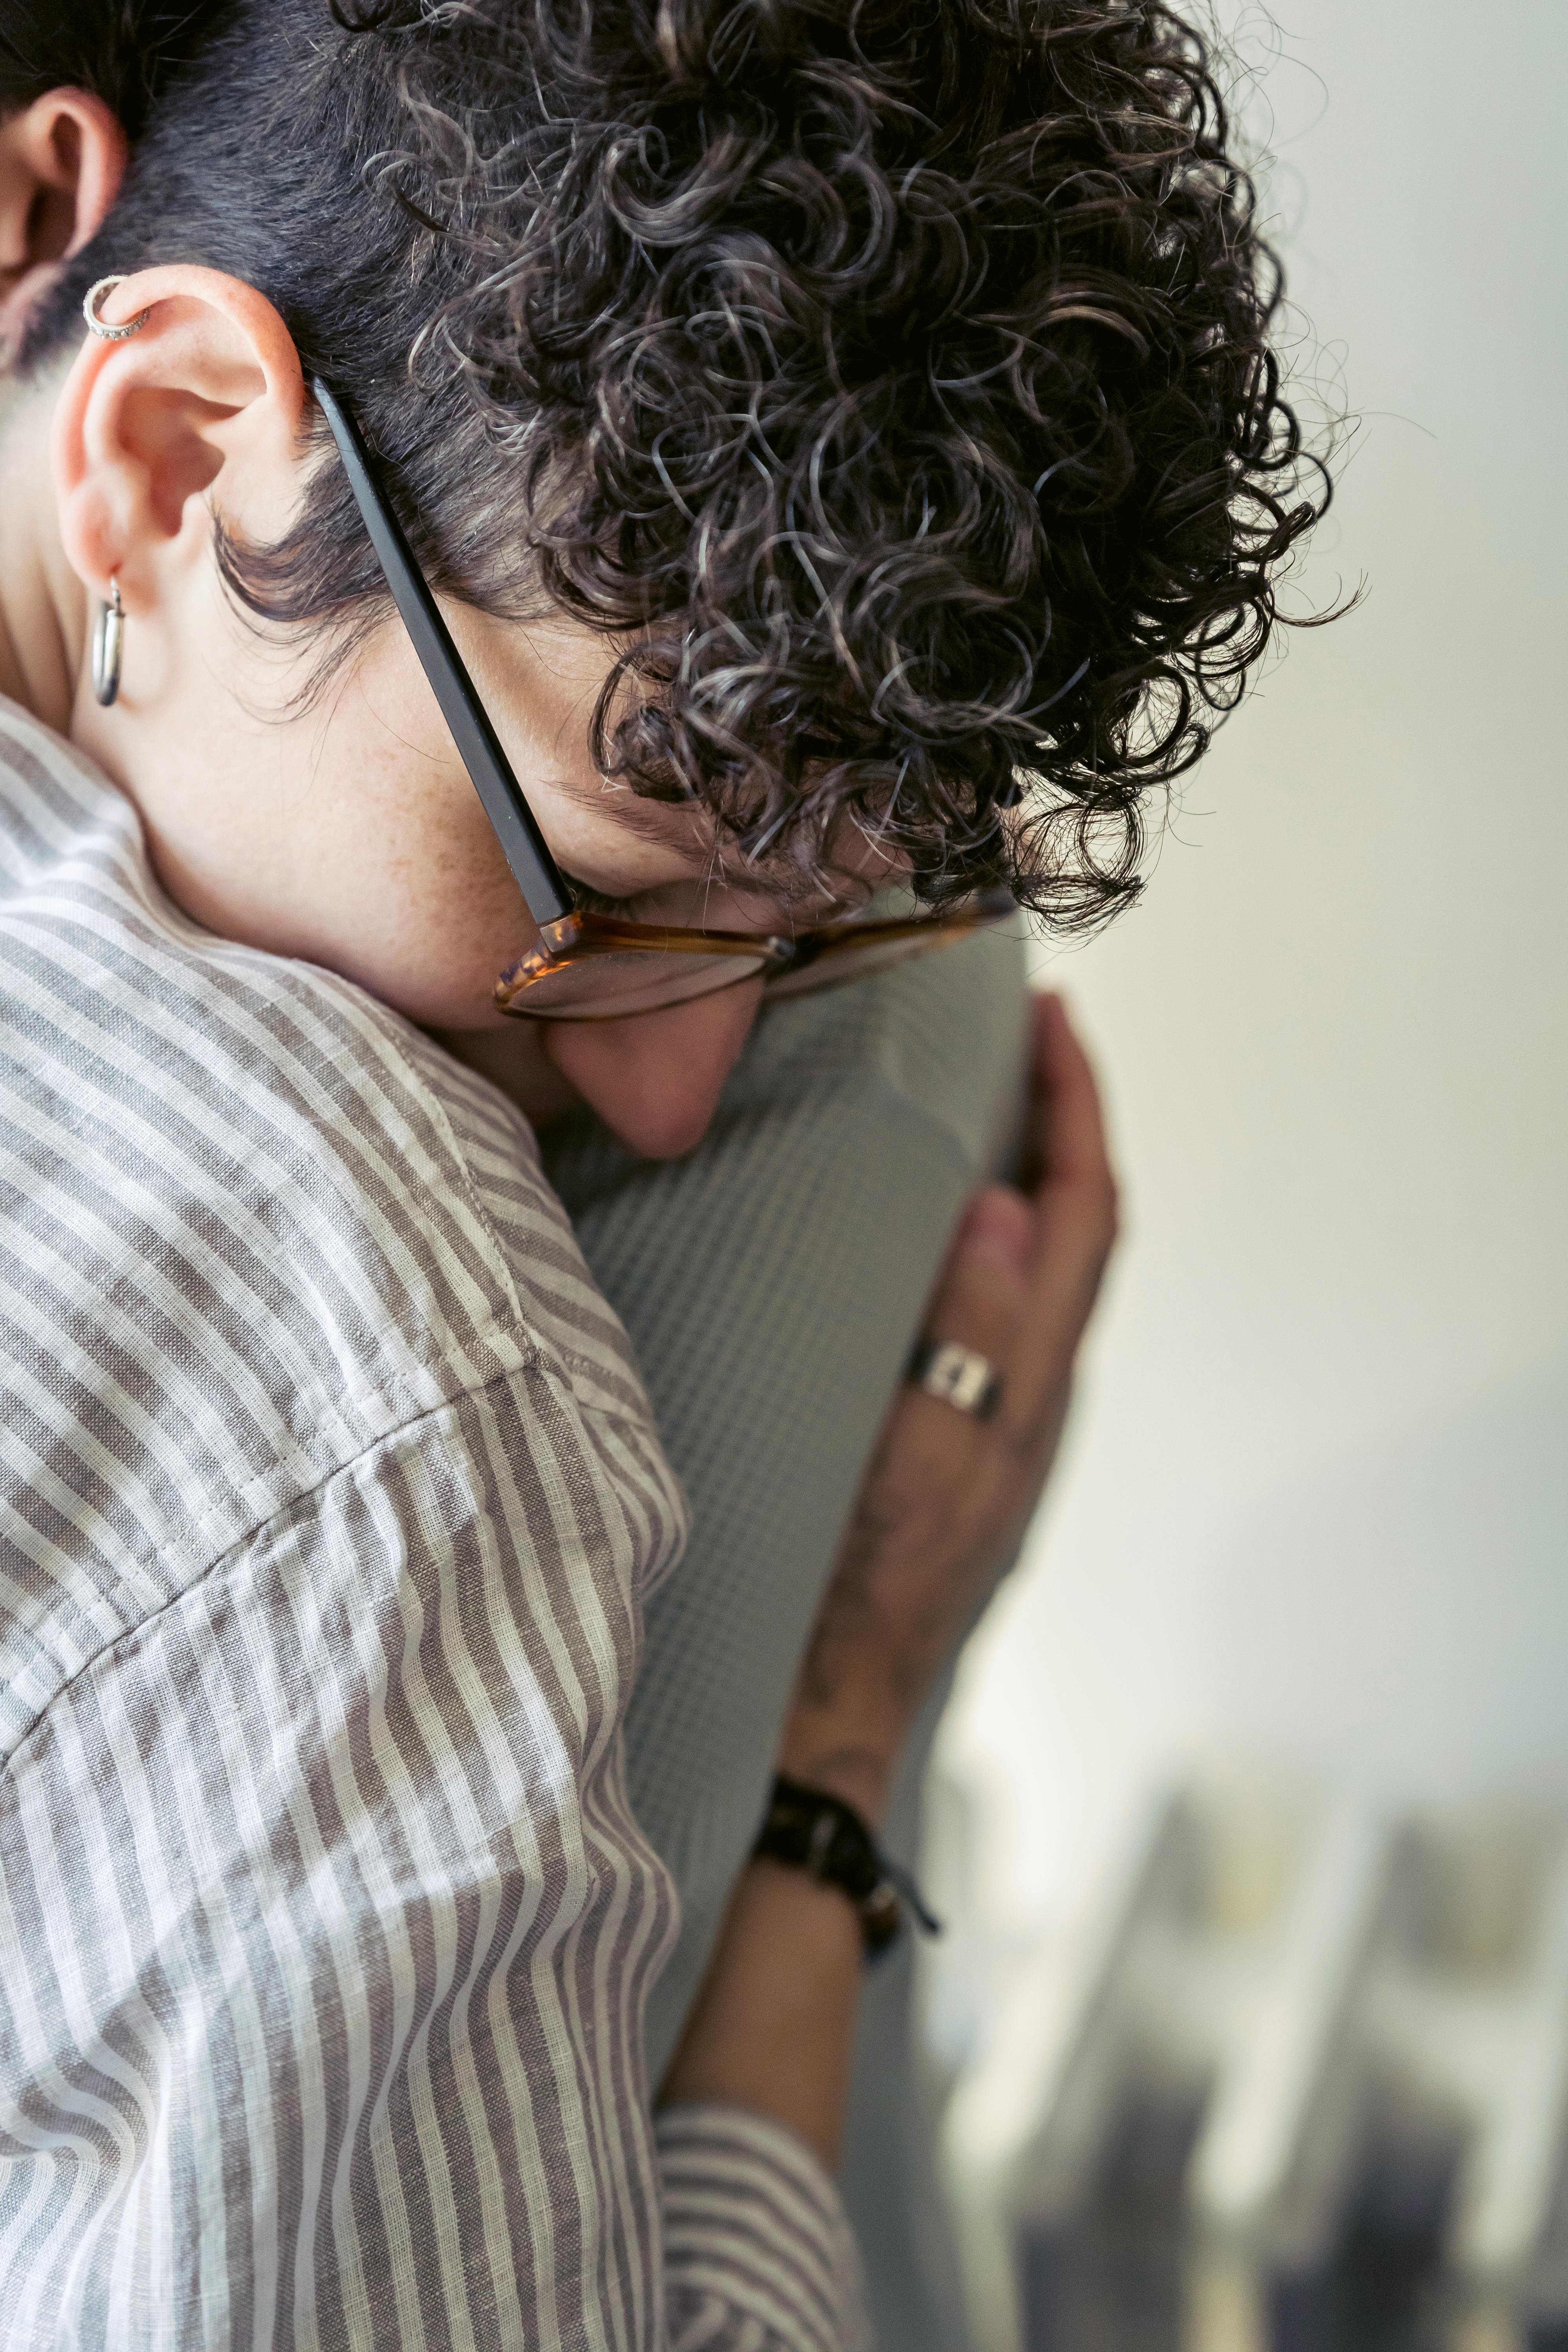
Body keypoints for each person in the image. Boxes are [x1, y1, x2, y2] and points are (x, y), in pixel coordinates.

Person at [0, 0, 1321, 2343]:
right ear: (178, 447)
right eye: (618, 887)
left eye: (823, 932)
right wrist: (840, 1745)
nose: (684, 1093)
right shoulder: (393, 1418)